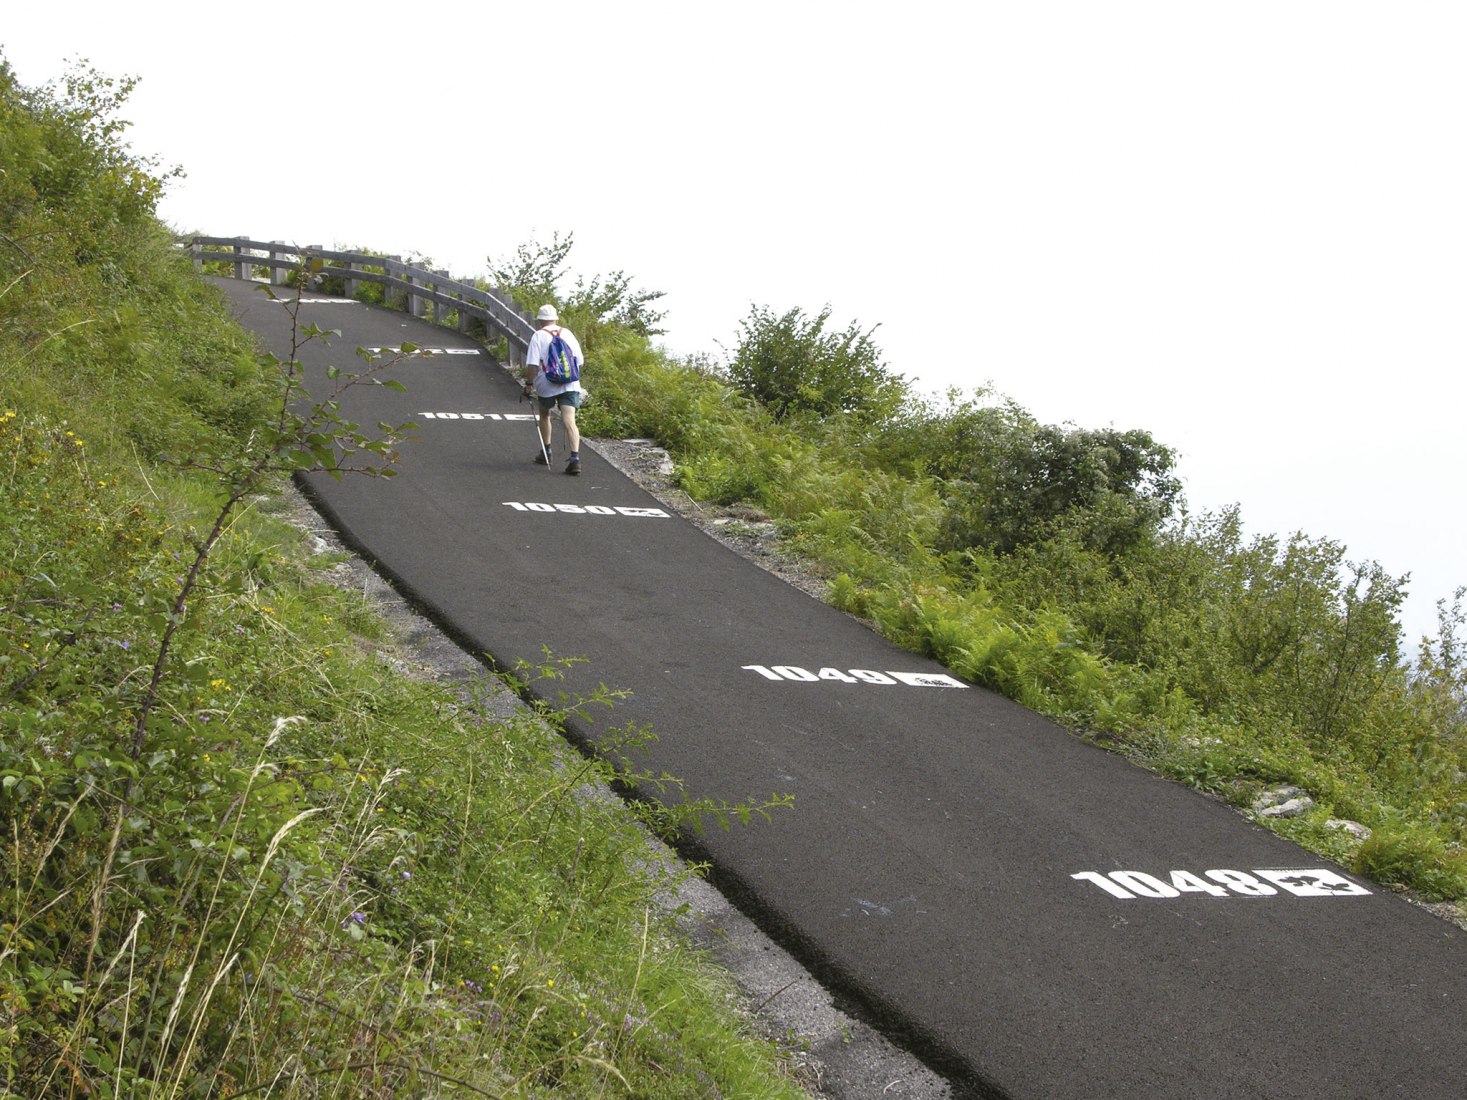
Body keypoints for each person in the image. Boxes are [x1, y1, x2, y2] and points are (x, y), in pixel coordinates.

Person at [521, 304, 585, 475]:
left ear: (540, 321)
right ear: (556, 319)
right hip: (570, 383)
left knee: (544, 414)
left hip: (547, 383)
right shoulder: (568, 333)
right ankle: (575, 459)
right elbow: (579, 361)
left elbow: (533, 364)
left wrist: (529, 384)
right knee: (569, 419)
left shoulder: (538, 336)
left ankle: (547, 452)